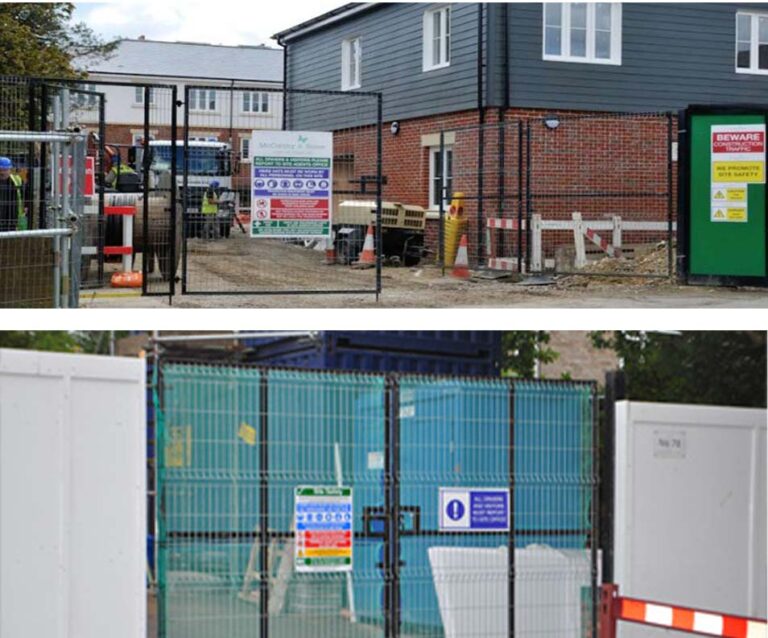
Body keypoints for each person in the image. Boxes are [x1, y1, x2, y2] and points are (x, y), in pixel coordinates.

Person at [0, 157, 26, 232]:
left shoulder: (17, 180)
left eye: (5, 170)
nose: (2, 172)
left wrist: (26, 206)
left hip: (13, 219)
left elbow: (26, 195)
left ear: (10, 170)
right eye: (1, 170)